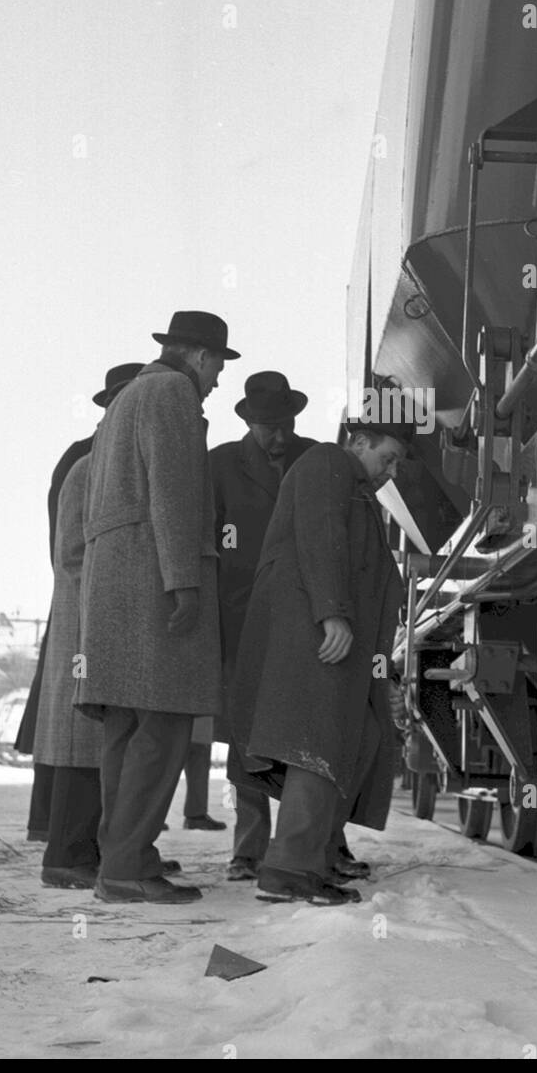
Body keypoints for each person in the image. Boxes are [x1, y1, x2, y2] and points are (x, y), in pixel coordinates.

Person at [75, 312, 236, 905]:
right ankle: (124, 868)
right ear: (198, 356)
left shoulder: (126, 400)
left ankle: (122, 857)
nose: (218, 378)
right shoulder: (172, 392)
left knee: (127, 726)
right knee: (164, 726)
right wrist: (183, 581)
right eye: (218, 364)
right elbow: (172, 490)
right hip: (154, 582)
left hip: (116, 583)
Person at [226, 419, 409, 905]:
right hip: (315, 631)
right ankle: (287, 870)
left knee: (355, 739)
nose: (390, 472)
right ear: (360, 441)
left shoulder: (352, 484)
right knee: (317, 743)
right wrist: (332, 613)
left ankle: (316, 860)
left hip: (339, 639)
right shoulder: (329, 462)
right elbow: (320, 536)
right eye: (386, 457)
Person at [16, 363, 141, 843]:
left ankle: (67, 836)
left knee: (79, 728)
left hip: (87, 602)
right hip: (88, 604)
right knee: (77, 730)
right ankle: (68, 844)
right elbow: (71, 548)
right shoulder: (92, 460)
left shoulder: (94, 455)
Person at [208, 371, 317, 880]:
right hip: (242, 618)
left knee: (310, 731)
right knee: (245, 739)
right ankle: (247, 853)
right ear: (250, 421)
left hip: (301, 617)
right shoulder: (221, 465)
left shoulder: (314, 458)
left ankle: (318, 847)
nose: (281, 435)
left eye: (288, 424)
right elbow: (210, 540)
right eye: (270, 426)